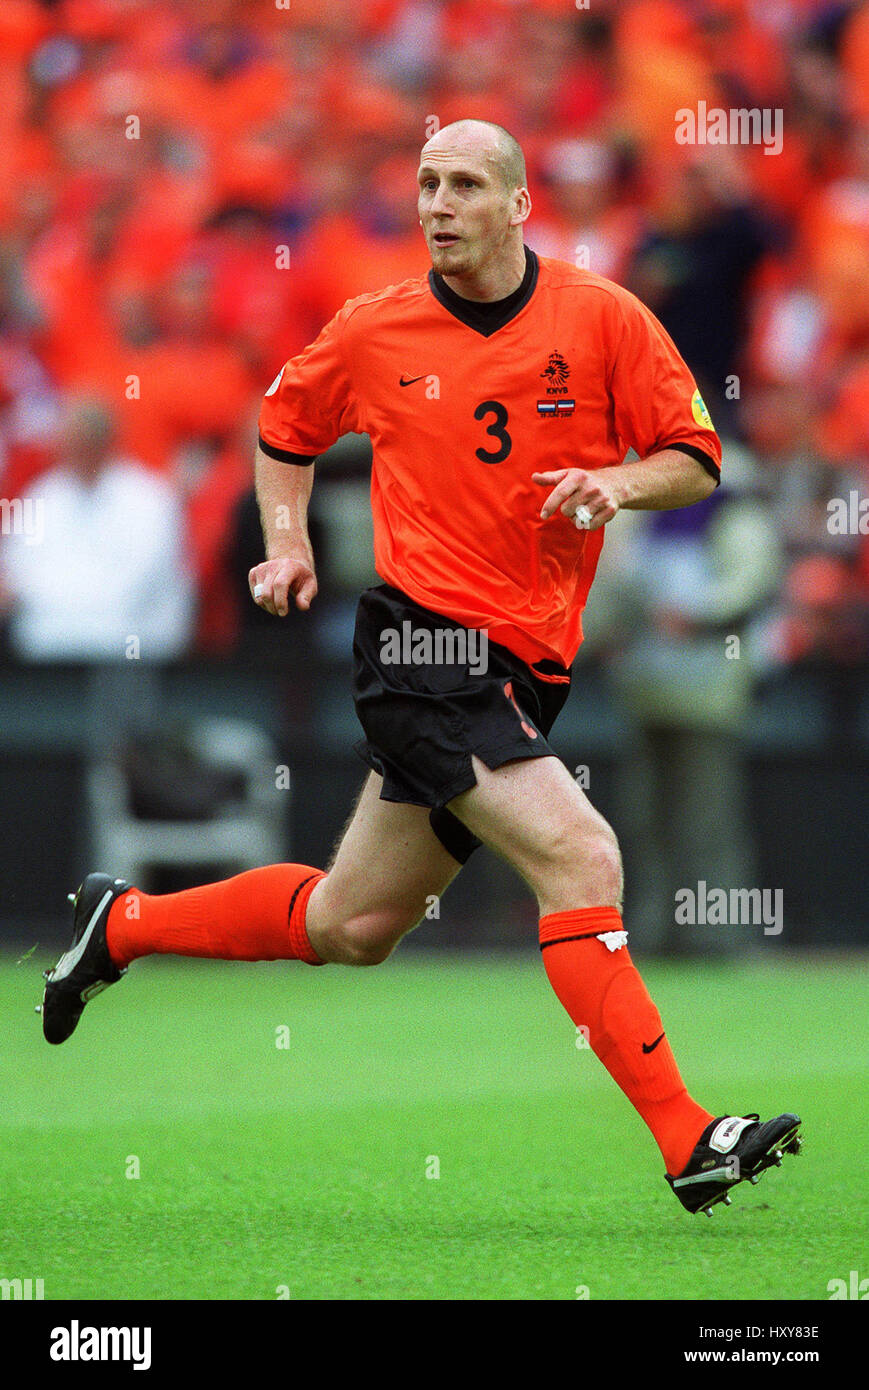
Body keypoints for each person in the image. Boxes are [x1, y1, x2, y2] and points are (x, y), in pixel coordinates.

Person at [41, 121, 801, 1217]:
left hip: (528, 661)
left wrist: (615, 484)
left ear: (517, 204)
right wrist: (289, 544)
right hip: (423, 649)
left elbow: (693, 458)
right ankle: (687, 1138)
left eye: (463, 185)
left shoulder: (598, 318)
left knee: (351, 926)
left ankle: (122, 927)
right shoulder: (373, 327)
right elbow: (283, 427)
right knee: (582, 855)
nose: (438, 204)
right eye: (426, 184)